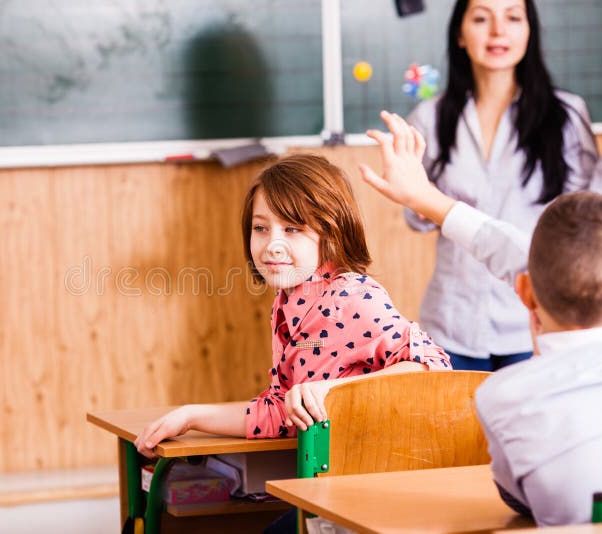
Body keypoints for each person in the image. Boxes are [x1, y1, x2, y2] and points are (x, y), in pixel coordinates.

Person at [361, 110, 602, 527]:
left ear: (524, 292)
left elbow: (517, 501)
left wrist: (424, 197)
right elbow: (521, 251)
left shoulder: (502, 399)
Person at [134, 154, 450, 459]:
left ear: (330, 232)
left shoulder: (350, 296)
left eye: (292, 229)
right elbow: (278, 411)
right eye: (260, 228)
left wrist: (334, 392)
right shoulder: (286, 303)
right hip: (320, 477)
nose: (272, 244)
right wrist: (190, 416)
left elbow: (432, 368)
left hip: (371, 478)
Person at [405, 0, 602, 371]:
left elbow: (592, 212)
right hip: (453, 322)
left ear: (528, 30)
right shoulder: (430, 117)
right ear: (460, 33)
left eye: (513, 17)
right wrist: (420, 200)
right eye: (483, 18)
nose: (498, 31)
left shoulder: (565, 114)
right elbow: (415, 217)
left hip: (536, 321)